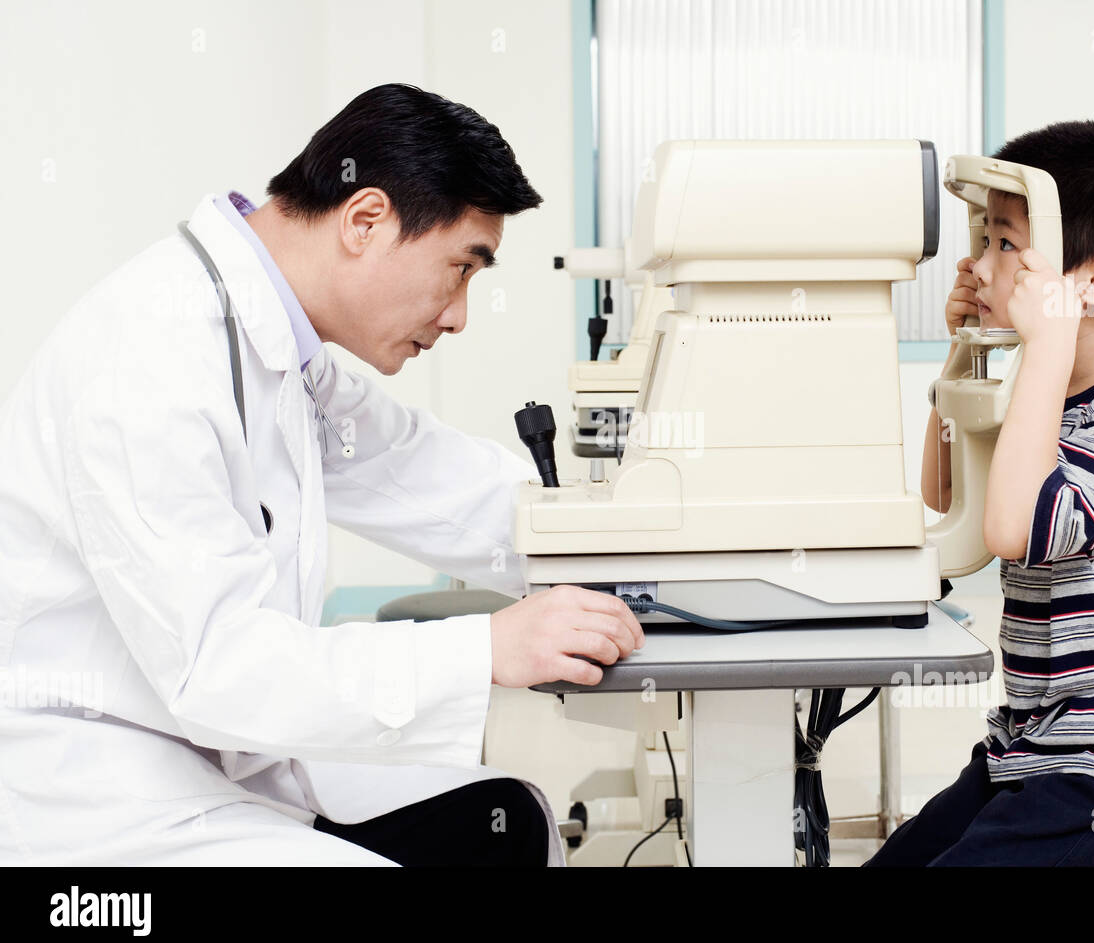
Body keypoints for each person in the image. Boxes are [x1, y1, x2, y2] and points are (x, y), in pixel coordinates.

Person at [0, 83, 643, 866]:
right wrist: (484, 649)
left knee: (508, 817)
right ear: (365, 220)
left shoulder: (277, 344)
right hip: (103, 801)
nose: (458, 315)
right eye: (461, 269)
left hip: (216, 761)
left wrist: (618, 542)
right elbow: (219, 670)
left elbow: (415, 471)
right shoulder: (148, 359)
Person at [868, 120, 1094, 867]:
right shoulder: (1047, 398)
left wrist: (1044, 348)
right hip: (1042, 746)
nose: (981, 264)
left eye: (1007, 245)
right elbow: (952, 506)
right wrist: (965, 350)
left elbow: (1016, 528)